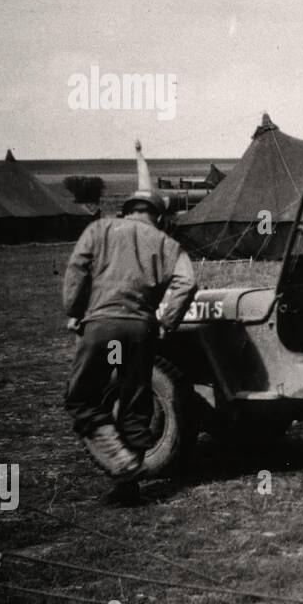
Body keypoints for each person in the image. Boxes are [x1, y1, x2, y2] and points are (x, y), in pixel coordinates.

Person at [63, 189, 196, 502]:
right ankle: (129, 483)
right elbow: (187, 282)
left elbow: (77, 269)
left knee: (82, 399)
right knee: (134, 397)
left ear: (126, 210)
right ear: (160, 217)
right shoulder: (167, 243)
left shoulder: (99, 229)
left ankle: (119, 463)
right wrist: (167, 322)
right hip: (138, 331)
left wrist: (75, 311)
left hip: (101, 328)